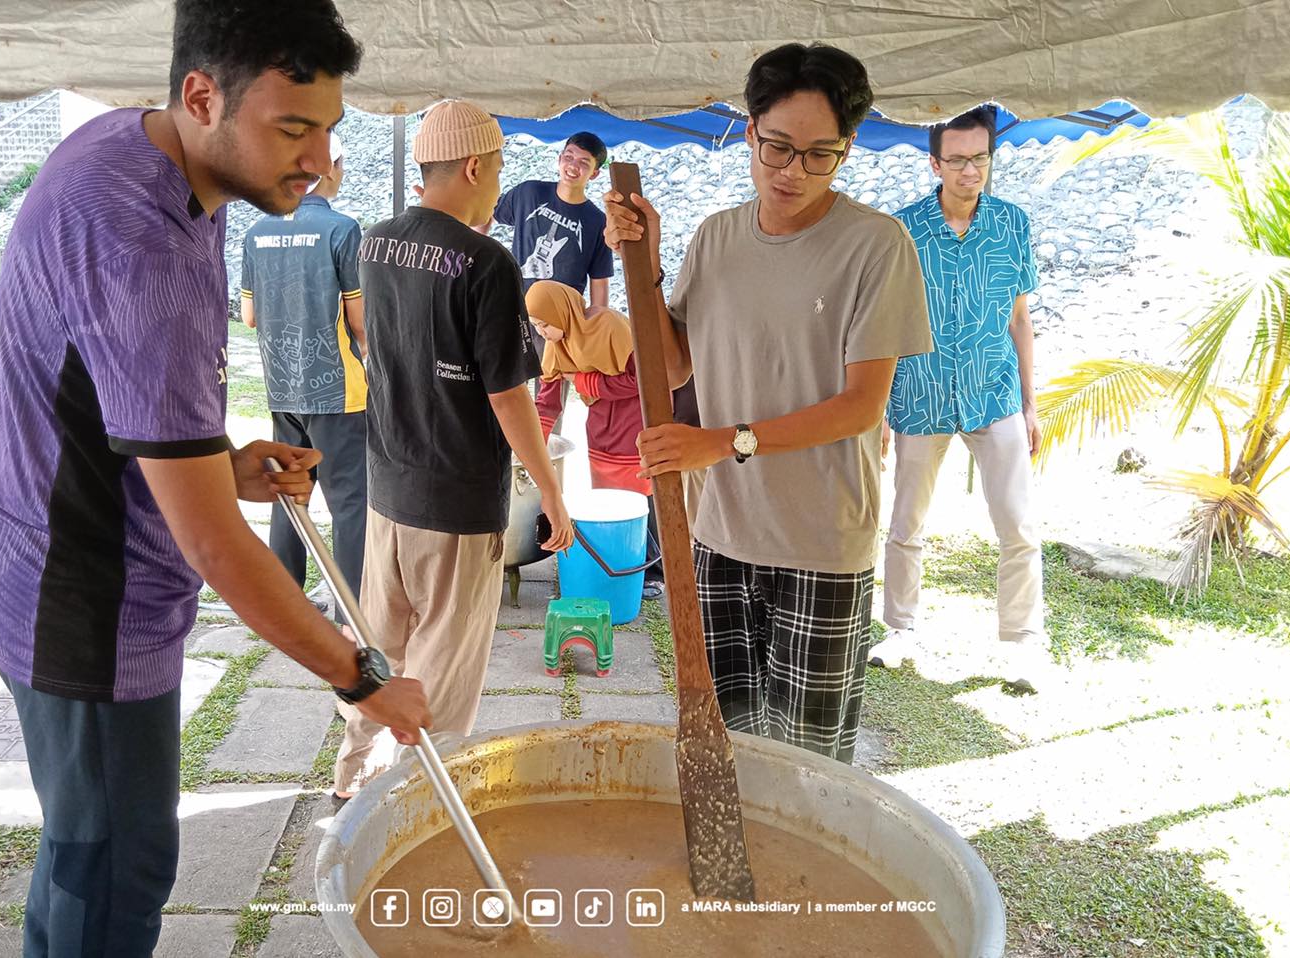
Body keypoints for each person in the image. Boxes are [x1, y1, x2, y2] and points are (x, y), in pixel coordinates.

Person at [0, 3, 429, 954]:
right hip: (78, 595)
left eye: (328, 129)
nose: (319, 159)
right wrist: (364, 676)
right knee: (111, 868)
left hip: (33, 544)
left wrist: (215, 462)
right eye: (291, 129)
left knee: (88, 850)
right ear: (203, 96)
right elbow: (214, 545)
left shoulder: (143, 152)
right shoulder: (143, 242)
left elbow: (108, 384)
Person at [603, 42, 933, 764]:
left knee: (809, 768)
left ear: (847, 148)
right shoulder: (718, 237)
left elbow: (859, 407)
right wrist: (647, 265)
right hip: (720, 537)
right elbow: (677, 363)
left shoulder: (876, 247)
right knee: (726, 750)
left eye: (820, 155)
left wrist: (722, 441)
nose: (792, 172)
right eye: (777, 147)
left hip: (821, 546)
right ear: (749, 131)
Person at [331, 99, 575, 800]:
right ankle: (423, 807)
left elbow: (377, 345)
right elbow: (508, 397)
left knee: (379, 647)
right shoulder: (487, 262)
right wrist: (550, 491)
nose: (498, 186)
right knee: (444, 665)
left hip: (388, 488)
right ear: (472, 167)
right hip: (458, 502)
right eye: (496, 170)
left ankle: (351, 778)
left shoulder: (375, 242)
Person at [871, 105, 1048, 691]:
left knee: (1018, 522)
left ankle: (1022, 642)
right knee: (906, 521)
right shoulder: (902, 229)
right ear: (935, 164)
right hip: (919, 394)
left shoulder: (1012, 224)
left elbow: (1020, 319)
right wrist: (878, 410)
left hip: (993, 393)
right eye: (957, 160)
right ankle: (899, 629)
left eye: (979, 159)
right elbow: (884, 323)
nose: (970, 171)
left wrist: (1030, 404)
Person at [240, 132, 369, 610]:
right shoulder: (342, 229)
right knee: (350, 501)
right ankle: (353, 606)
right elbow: (360, 321)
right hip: (337, 389)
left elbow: (249, 316)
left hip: (282, 385)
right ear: (329, 167)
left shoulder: (257, 231)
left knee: (289, 492)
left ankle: (284, 602)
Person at [528, 280, 663, 596]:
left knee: (639, 495)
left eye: (545, 324)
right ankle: (620, 563)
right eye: (536, 326)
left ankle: (653, 571)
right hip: (601, 423)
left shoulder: (609, 327)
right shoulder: (557, 346)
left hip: (634, 419)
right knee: (609, 499)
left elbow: (644, 379)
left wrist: (584, 381)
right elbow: (547, 403)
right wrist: (532, 449)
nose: (542, 333)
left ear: (561, 312)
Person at [486, 131, 615, 320]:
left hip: (560, 322)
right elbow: (487, 213)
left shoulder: (598, 222)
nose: (573, 166)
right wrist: (473, 259)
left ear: (594, 174)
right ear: (559, 158)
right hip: (512, 308)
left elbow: (600, 281)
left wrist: (596, 325)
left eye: (584, 162)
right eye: (569, 157)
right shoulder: (529, 192)